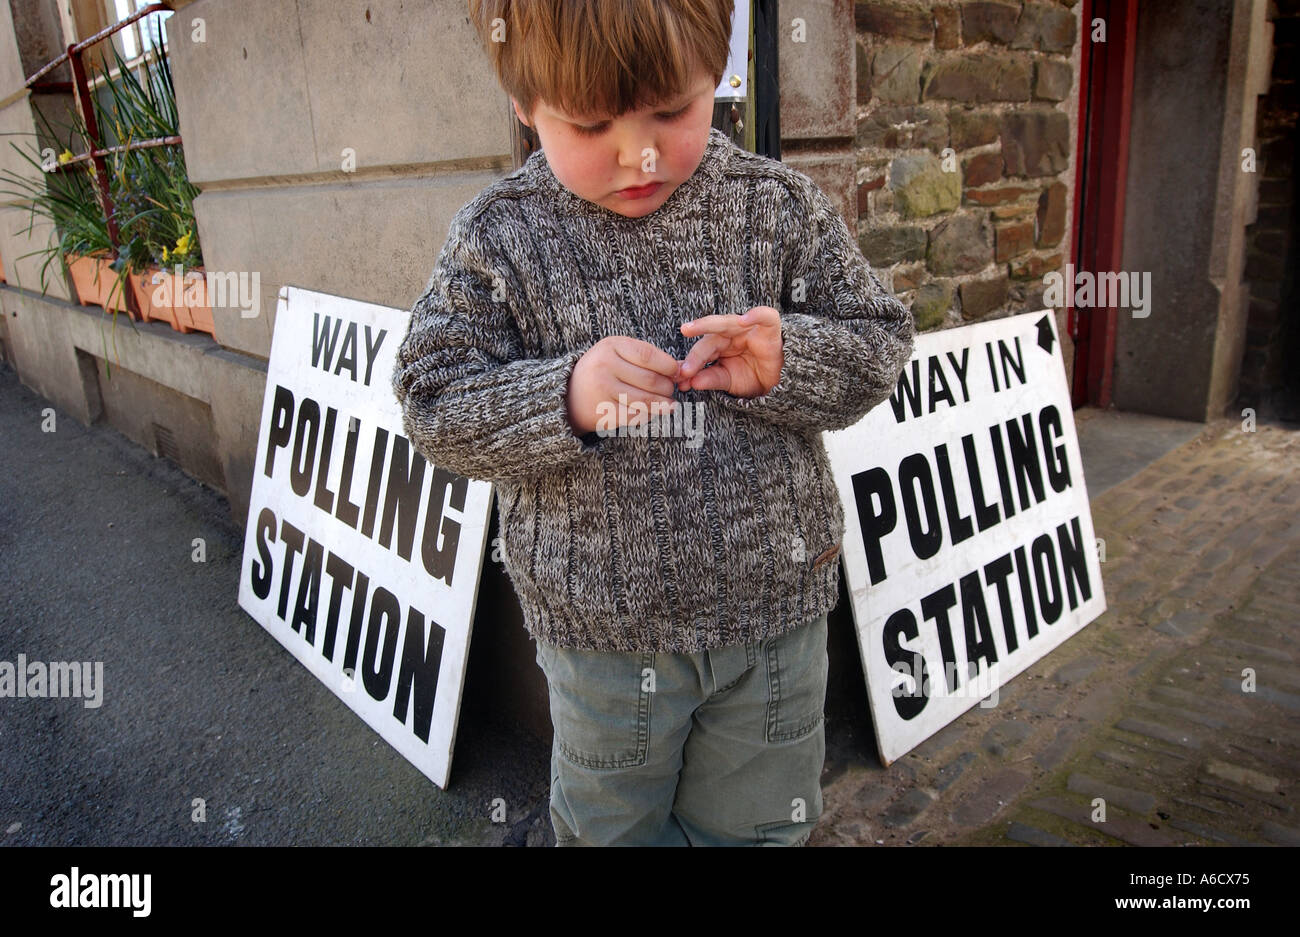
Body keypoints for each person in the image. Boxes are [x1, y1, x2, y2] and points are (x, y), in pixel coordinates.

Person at [392, 0, 915, 845]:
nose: (638, 152)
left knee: (761, 830)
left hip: (777, 622)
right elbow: (431, 399)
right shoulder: (502, 237)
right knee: (611, 832)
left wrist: (793, 361)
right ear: (525, 105)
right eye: (592, 124)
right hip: (605, 645)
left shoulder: (775, 208)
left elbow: (879, 341)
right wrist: (562, 396)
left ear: (720, 71)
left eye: (672, 111)